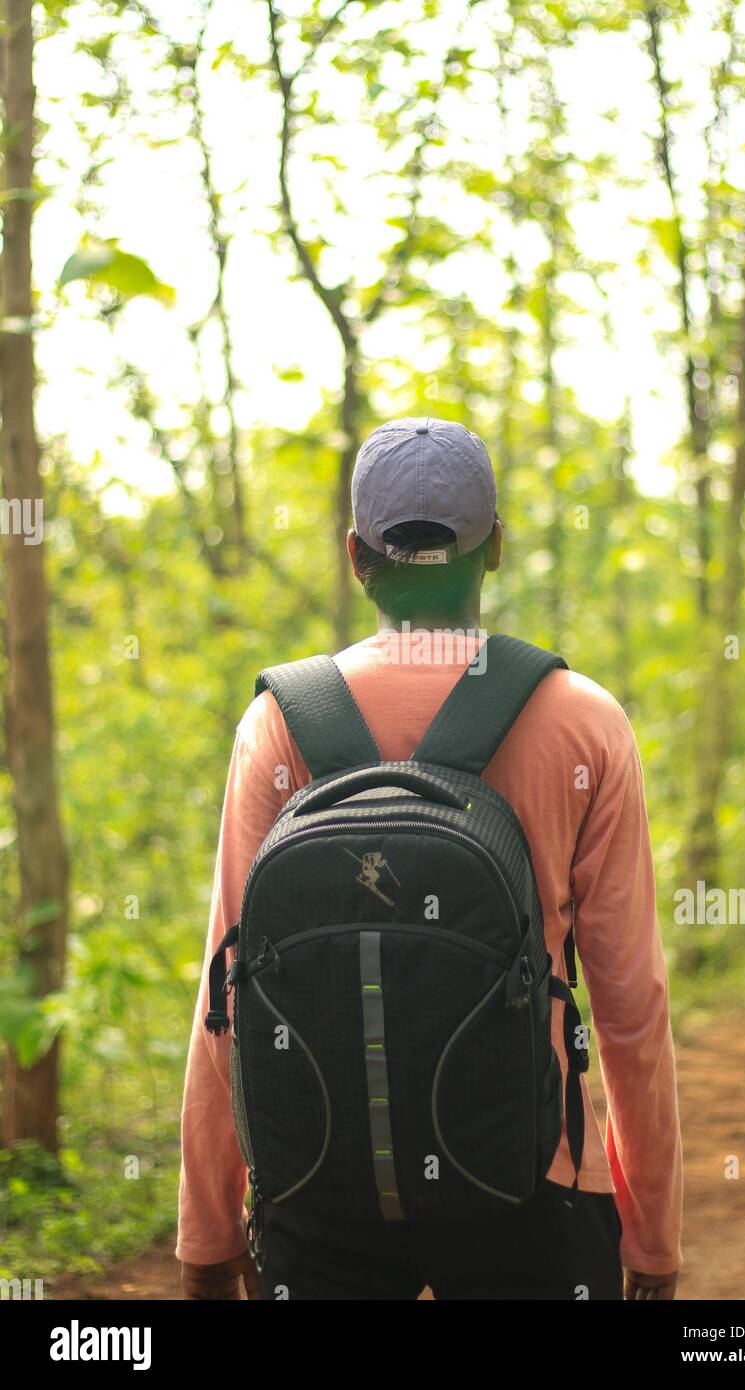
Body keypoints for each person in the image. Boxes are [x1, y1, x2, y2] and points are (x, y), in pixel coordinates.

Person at [177, 416, 683, 1300]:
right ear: (495, 549)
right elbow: (631, 1005)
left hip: (319, 1187)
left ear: (356, 556)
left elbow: (229, 989)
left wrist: (208, 1227)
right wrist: (652, 1235)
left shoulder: (281, 724)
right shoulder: (584, 722)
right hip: (535, 1188)